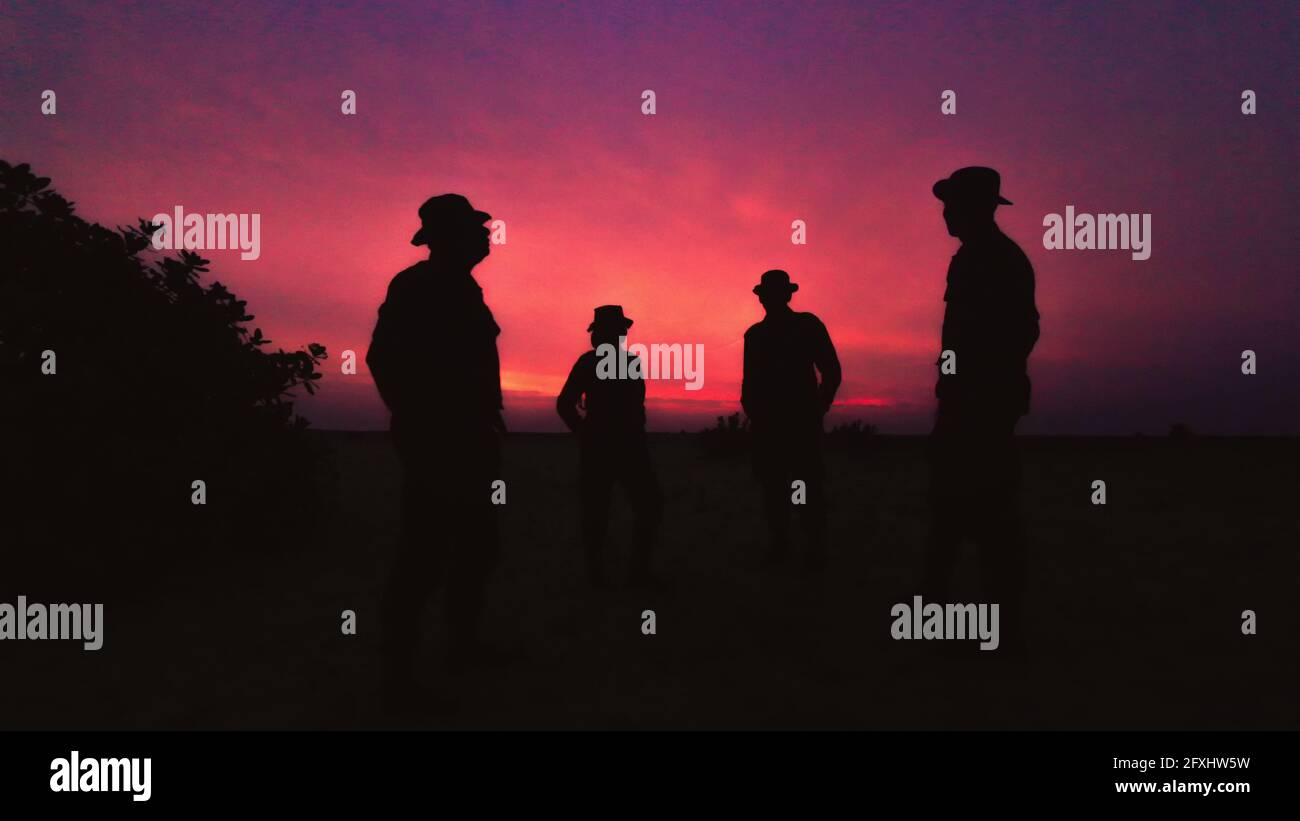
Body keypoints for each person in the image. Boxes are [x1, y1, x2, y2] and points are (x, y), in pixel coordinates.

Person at [366, 193, 506, 687]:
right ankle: (398, 673)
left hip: (470, 438)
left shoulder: (464, 289)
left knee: (476, 545)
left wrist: (488, 416)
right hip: (439, 442)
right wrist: (422, 423)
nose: (486, 234)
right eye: (474, 228)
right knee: (424, 552)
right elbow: (383, 359)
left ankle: (461, 645)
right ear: (449, 238)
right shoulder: (417, 286)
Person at [923, 167, 1040, 652]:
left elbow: (1020, 330)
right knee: (959, 511)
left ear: (976, 207)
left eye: (952, 204)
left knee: (983, 513)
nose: (945, 213)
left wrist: (976, 383)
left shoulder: (995, 259)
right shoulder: (974, 257)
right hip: (972, 403)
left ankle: (998, 629)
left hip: (981, 408)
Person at [556, 305, 665, 589]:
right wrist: (584, 431)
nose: (623, 334)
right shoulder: (623, 363)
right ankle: (627, 575)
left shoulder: (598, 363)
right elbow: (566, 404)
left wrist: (584, 432)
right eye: (620, 330)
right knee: (638, 508)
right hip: (623, 445)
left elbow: (565, 404)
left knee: (602, 511)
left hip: (610, 445)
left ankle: (606, 576)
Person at [741, 270, 841, 571]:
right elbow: (750, 382)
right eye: (766, 294)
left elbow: (831, 371)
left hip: (797, 424)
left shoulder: (805, 326)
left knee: (803, 487)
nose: (768, 300)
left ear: (785, 295)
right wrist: (755, 413)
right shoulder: (756, 335)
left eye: (773, 294)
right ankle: (785, 546)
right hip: (774, 426)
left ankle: (810, 549)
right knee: (777, 488)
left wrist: (817, 407)